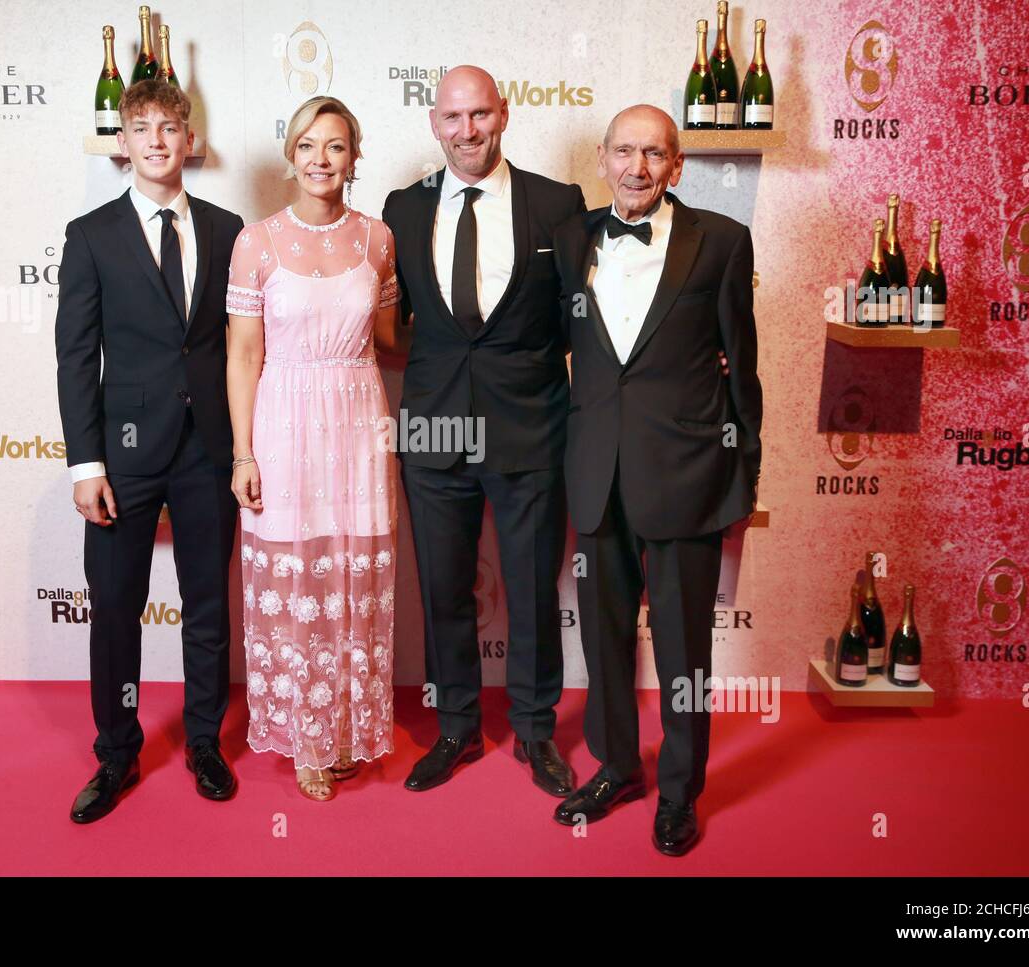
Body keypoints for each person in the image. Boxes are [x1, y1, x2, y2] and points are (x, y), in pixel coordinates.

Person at [552, 105, 762, 856]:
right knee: (605, 640)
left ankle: (679, 790)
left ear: (676, 165)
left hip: (686, 475)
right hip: (595, 470)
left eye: (654, 154)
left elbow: (745, 368)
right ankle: (616, 763)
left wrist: (744, 475)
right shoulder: (571, 241)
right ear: (603, 159)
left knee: (682, 651)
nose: (637, 168)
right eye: (624, 152)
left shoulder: (723, 243)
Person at [382, 65, 585, 798]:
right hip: (435, 427)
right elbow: (388, 319)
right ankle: (457, 727)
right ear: (434, 124)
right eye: (453, 118)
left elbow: (579, 321)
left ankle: (535, 731)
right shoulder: (403, 209)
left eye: (480, 115)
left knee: (533, 586)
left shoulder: (558, 205)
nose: (467, 131)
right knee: (443, 587)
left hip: (531, 425)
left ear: (505, 113)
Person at [55, 80, 244, 823]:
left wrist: (243, 448)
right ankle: (116, 752)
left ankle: (204, 742)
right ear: (124, 142)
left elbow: (242, 347)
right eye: (143, 128)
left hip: (208, 451)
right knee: (114, 607)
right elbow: (76, 356)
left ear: (189, 138)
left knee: (207, 608)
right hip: (123, 457)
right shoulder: (91, 234)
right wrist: (86, 464)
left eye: (171, 126)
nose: (158, 140)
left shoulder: (230, 230)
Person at [226, 96, 406, 802]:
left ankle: (347, 731)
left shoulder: (378, 239)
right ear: (290, 155)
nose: (321, 159)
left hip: (360, 421)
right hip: (284, 421)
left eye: (336, 146)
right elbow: (243, 355)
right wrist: (244, 453)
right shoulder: (257, 242)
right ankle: (306, 739)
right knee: (296, 585)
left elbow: (389, 342)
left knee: (352, 584)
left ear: (354, 158)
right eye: (308, 145)